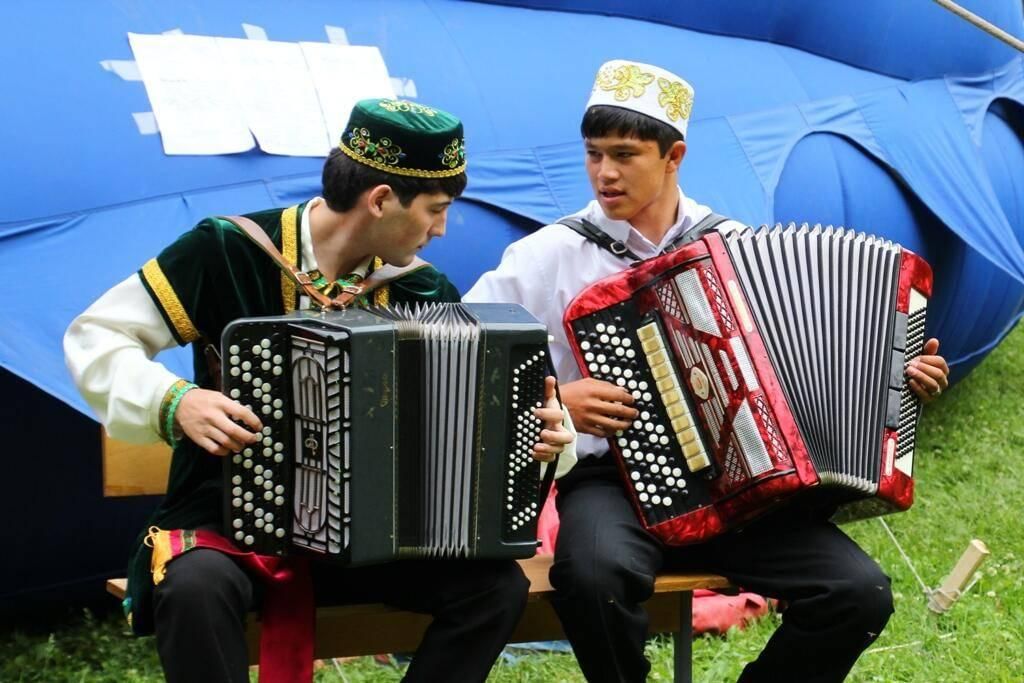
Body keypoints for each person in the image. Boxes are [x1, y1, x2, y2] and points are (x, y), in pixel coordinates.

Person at [464, 60, 951, 682]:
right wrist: (556, 399)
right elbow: (467, 351)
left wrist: (901, 380)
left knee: (859, 593)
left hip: (741, 489)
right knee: (590, 577)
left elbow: (811, 363)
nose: (604, 172)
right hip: (610, 483)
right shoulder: (550, 254)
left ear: (674, 156)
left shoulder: (735, 247)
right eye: (593, 154)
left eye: (624, 154)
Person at [64, 98, 576, 683]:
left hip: (379, 536)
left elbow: (478, 425)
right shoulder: (228, 251)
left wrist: (543, 438)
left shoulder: (424, 289)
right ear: (380, 199)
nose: (441, 229)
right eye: (436, 210)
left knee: (493, 590)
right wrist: (177, 401)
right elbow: (98, 336)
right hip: (230, 518)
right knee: (193, 589)